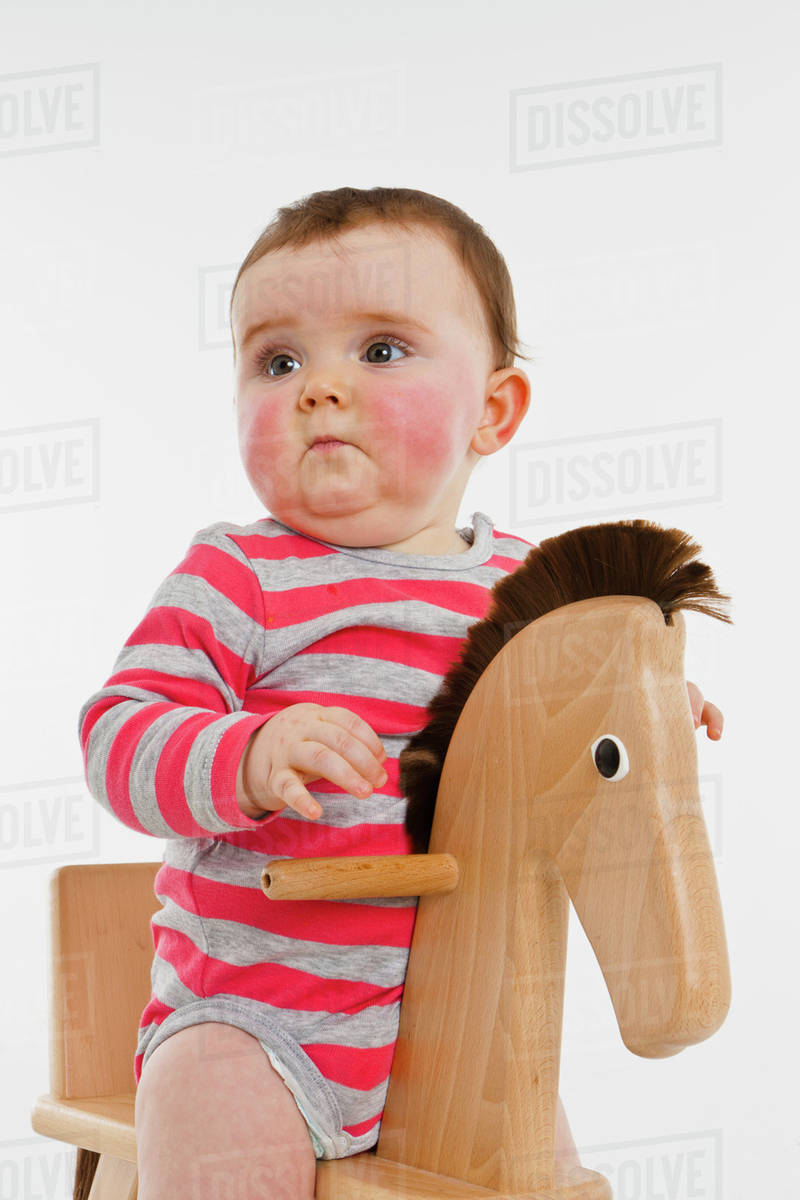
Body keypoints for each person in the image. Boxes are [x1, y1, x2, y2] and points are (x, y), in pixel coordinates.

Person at [79, 186, 724, 1200]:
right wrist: (243, 756)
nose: (318, 388)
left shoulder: (529, 595)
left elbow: (572, 744)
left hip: (462, 1010)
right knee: (219, 1161)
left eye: (380, 350)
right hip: (256, 1020)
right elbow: (115, 738)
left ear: (493, 411)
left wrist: (651, 716)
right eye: (277, 360)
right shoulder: (238, 576)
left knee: (551, 1178)